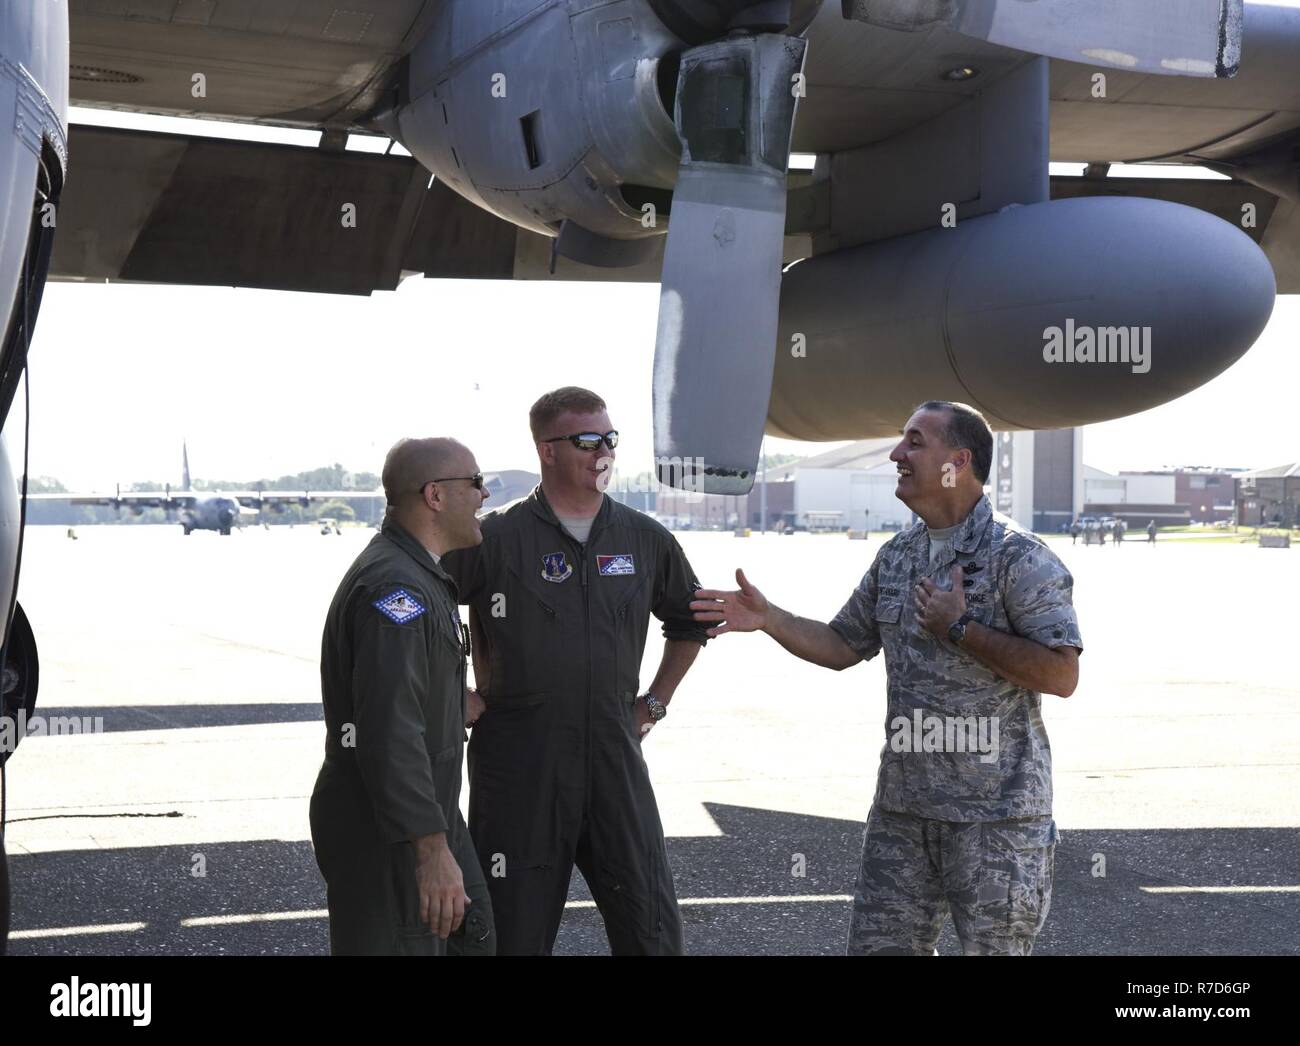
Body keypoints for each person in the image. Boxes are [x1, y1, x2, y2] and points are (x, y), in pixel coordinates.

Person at [693, 401, 1082, 956]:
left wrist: (961, 628)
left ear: (958, 461)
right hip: (903, 815)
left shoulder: (1018, 558)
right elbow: (842, 645)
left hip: (996, 822)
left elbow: (1061, 673)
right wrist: (768, 618)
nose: (897, 454)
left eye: (915, 442)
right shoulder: (898, 556)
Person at [442, 386, 708, 955]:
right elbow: (421, 605)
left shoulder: (645, 539)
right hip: (519, 768)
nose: (603, 451)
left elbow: (689, 623)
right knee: (509, 933)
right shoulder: (492, 538)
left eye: (610, 438)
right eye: (587, 440)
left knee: (652, 927)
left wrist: (654, 703)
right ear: (548, 450)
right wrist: (452, 689)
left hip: (615, 760)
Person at [310, 437, 495, 956]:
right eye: (475, 483)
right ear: (435, 496)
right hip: (391, 832)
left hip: (424, 816)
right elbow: (389, 731)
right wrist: (430, 852)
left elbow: (397, 689)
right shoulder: (398, 591)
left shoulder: (420, 574)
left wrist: (447, 699)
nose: (484, 496)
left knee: (472, 940)